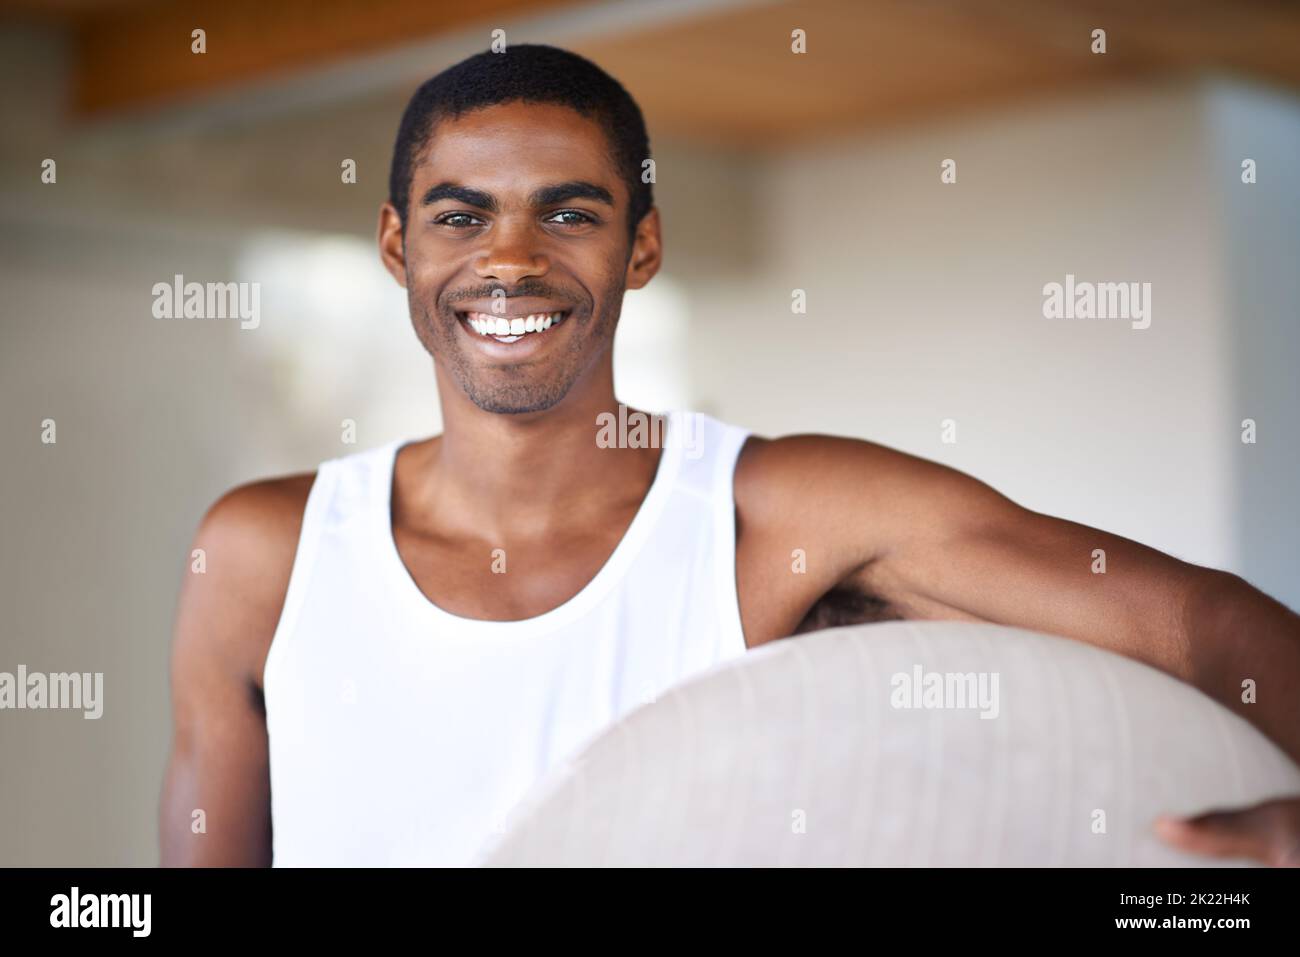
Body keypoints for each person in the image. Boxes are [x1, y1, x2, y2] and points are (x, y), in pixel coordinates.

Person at [159, 44, 1300, 867]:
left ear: (640, 245)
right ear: (397, 245)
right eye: (461, 218)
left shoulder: (780, 513)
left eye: (568, 214)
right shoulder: (265, 552)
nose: (510, 260)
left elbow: (1197, 621)